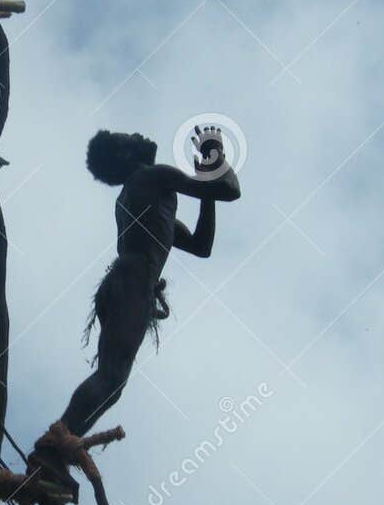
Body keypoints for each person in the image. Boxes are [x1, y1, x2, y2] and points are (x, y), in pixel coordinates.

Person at [50, 125, 242, 444]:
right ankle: (56, 441)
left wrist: (207, 185)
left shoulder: (139, 195)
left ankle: (62, 447)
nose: (138, 136)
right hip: (134, 280)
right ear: (126, 154)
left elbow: (201, 245)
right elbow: (229, 189)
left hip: (124, 283)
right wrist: (213, 157)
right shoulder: (152, 176)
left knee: (113, 384)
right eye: (129, 138)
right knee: (110, 377)